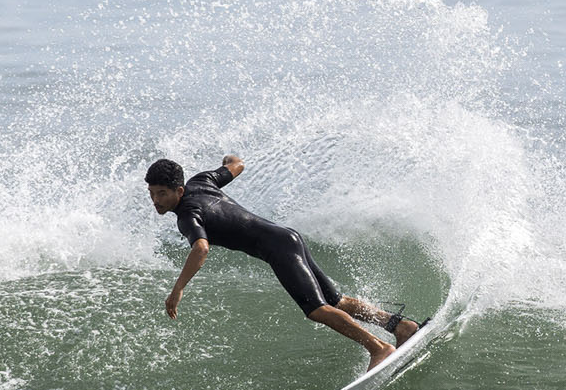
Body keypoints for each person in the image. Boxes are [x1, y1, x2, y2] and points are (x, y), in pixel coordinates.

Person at [146, 155, 418, 370]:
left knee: (316, 310)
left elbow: (201, 248)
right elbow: (236, 164)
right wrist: (227, 158)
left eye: (161, 194)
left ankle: (378, 348)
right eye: (152, 193)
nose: (156, 201)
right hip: (288, 238)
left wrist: (178, 289)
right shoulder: (202, 180)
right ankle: (401, 326)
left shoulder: (186, 215)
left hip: (277, 248)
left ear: (178, 190)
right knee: (336, 302)